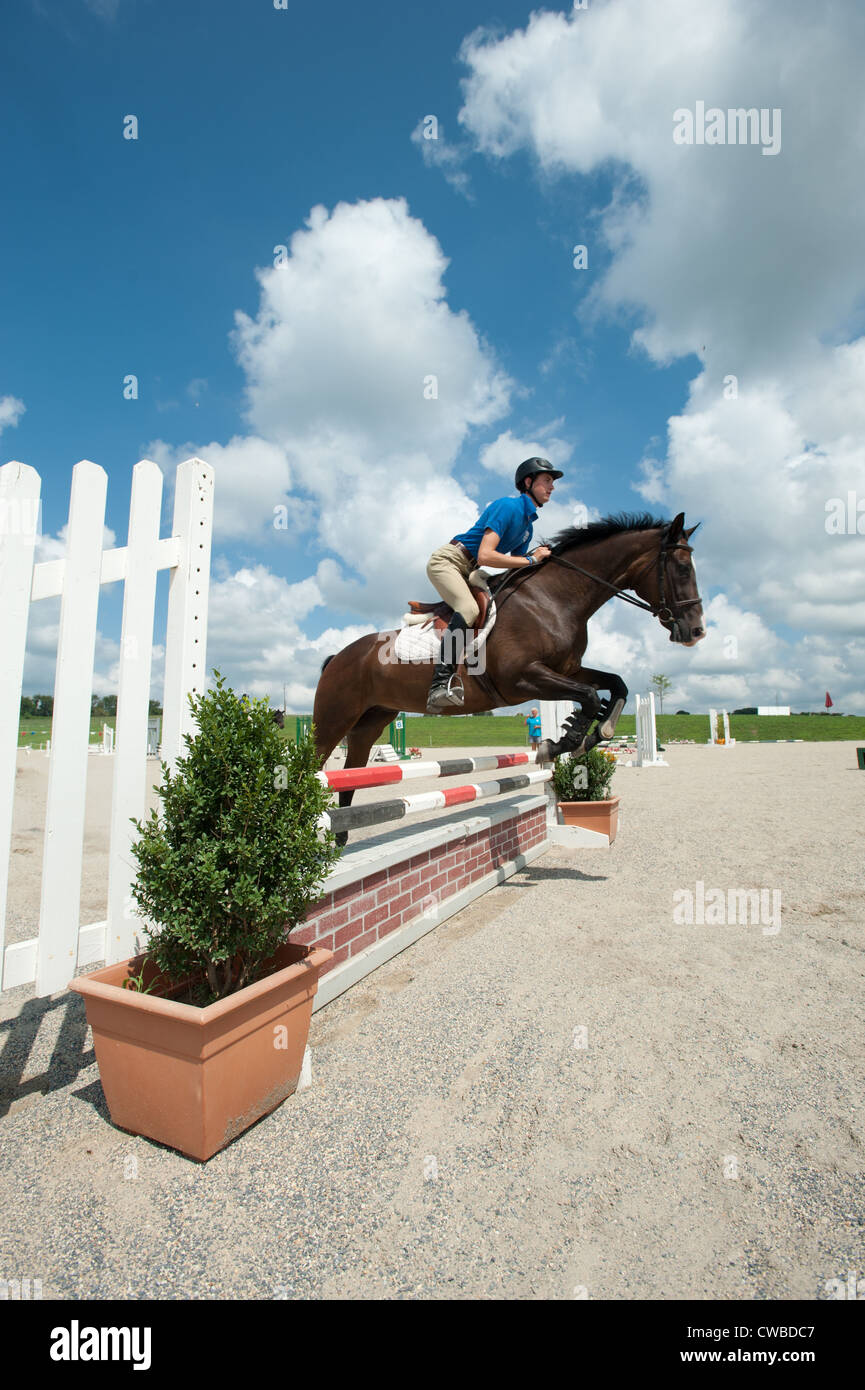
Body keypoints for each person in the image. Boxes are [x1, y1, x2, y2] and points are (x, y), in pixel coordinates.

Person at [425, 458, 562, 712]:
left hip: (470, 569)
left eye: (552, 482)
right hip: (449, 561)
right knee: (469, 610)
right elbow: (487, 555)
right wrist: (532, 559)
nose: (552, 487)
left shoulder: (527, 528)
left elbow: (515, 567)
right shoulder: (508, 507)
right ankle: (439, 684)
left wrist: (542, 562)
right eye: (547, 481)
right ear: (528, 482)